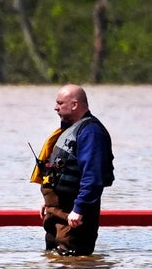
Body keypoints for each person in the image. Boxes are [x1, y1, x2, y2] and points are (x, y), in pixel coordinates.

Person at [31, 84, 114, 256]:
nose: (55, 107)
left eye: (60, 103)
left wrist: (79, 209)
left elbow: (93, 177)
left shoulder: (91, 133)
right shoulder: (68, 130)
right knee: (54, 266)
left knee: (74, 265)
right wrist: (50, 202)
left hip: (74, 216)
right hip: (57, 213)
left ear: (74, 105)